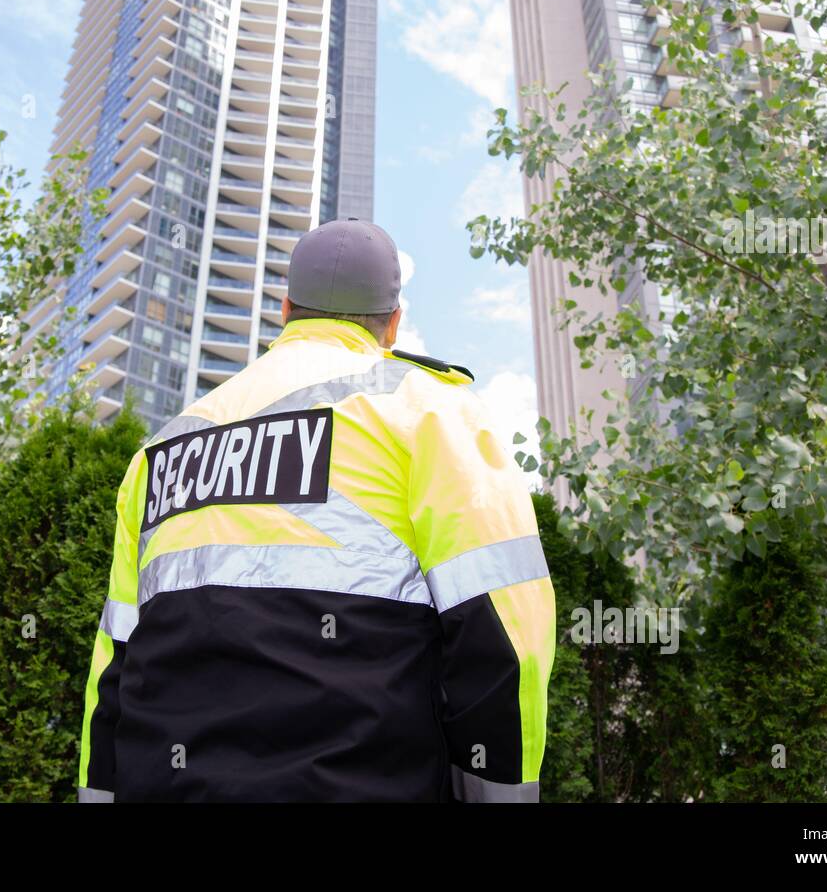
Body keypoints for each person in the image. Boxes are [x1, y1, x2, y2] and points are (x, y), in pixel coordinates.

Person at [78, 217, 555, 802]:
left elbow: (113, 666)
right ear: (393, 324)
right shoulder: (431, 413)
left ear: (285, 310)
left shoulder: (157, 455)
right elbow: (503, 627)